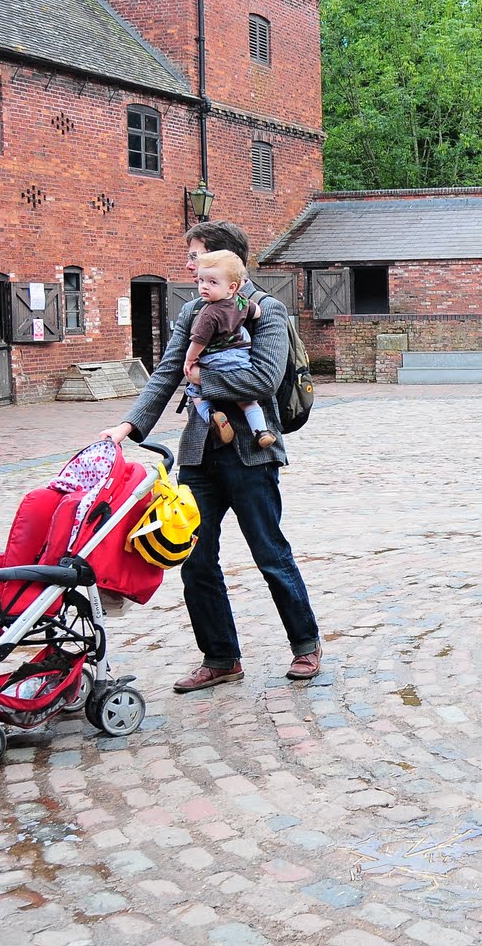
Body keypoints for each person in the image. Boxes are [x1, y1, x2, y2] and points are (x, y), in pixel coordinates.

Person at [102, 220, 322, 692]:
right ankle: (221, 657)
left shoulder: (268, 310)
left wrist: (200, 380)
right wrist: (128, 426)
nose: (187, 266)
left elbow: (263, 379)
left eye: (196, 256)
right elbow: (166, 372)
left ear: (225, 262)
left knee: (269, 553)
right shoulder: (194, 312)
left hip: (251, 453)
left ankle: (306, 646)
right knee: (196, 560)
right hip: (199, 454)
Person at [183, 249, 275, 449]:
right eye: (201, 281)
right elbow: (257, 312)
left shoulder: (209, 313)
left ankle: (212, 415)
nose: (204, 287)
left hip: (215, 360)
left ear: (231, 286)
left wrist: (190, 360)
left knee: (194, 392)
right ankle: (261, 431)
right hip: (241, 358)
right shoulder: (240, 301)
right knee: (249, 402)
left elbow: (198, 341)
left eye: (212, 282)